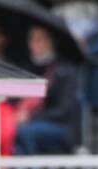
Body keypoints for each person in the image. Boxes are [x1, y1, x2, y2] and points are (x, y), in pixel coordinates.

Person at [13, 26, 82, 155]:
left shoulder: (65, 70)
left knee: (25, 132)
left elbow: (64, 110)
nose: (35, 44)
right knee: (14, 143)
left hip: (60, 127)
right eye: (32, 39)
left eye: (40, 39)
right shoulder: (25, 68)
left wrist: (31, 116)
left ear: (51, 42)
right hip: (26, 122)